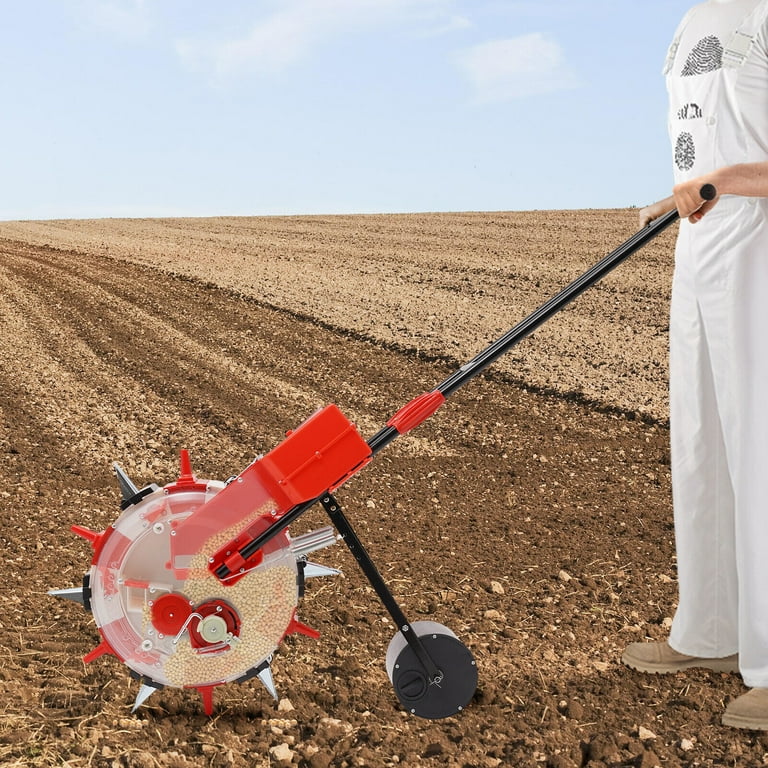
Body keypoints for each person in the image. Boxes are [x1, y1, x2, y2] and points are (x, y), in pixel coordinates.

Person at [620, 0, 768, 730]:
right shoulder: (692, 22)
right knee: (703, 440)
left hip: (759, 237)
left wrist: (730, 180)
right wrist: (678, 196)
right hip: (703, 235)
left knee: (759, 443)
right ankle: (712, 629)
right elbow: (706, 135)